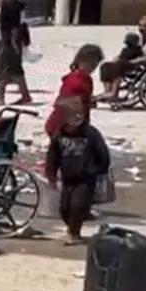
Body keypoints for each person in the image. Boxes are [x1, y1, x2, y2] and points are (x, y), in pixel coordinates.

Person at [45, 97, 111, 243]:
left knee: (78, 205)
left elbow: (103, 155)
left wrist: (95, 171)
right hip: (67, 178)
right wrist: (51, 175)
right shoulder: (59, 134)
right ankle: (72, 229)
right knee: (64, 208)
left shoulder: (91, 134)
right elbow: (52, 156)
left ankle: (74, 233)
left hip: (86, 179)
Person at [99, 17, 146, 100]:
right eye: (140, 26)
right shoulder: (141, 38)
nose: (141, 28)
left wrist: (135, 61)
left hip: (145, 67)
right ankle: (107, 91)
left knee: (118, 66)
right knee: (106, 66)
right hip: (134, 64)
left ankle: (114, 92)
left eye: (144, 26)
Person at [0, 0, 33, 106]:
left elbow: (15, 24)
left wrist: (14, 42)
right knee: (15, 69)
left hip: (8, 40)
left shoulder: (8, 2)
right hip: (7, 39)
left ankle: (0, 97)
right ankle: (25, 96)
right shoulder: (8, 1)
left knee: (3, 67)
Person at [46, 43, 104, 138]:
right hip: (63, 128)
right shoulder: (77, 80)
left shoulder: (83, 78)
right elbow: (66, 105)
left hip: (66, 125)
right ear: (82, 60)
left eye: (95, 65)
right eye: (91, 64)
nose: (93, 68)